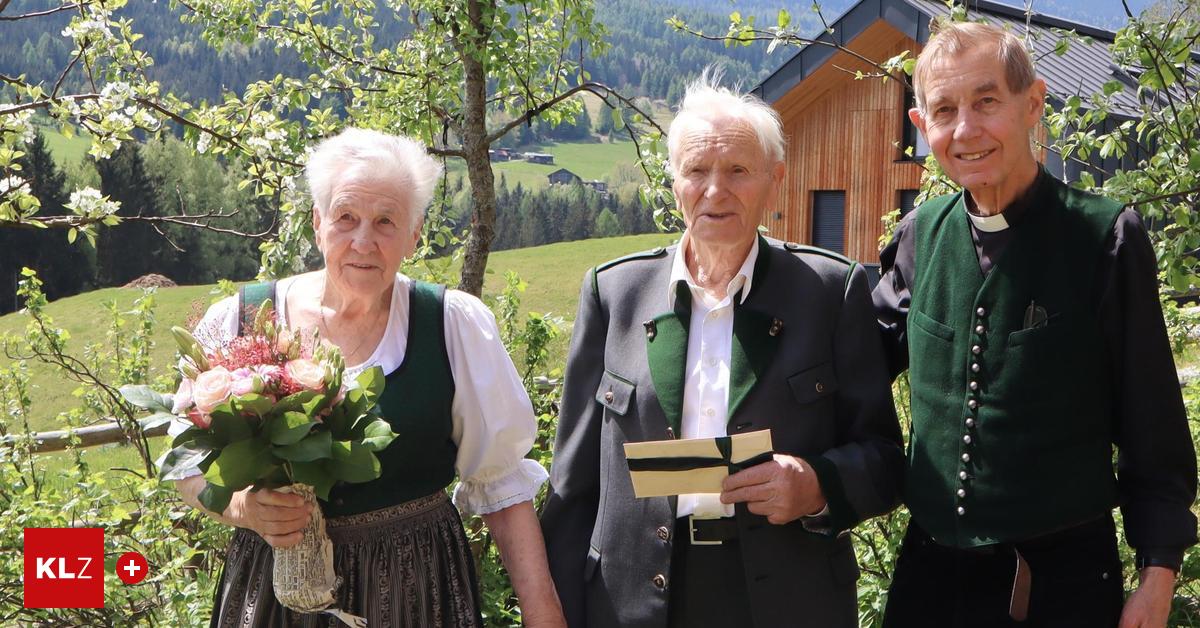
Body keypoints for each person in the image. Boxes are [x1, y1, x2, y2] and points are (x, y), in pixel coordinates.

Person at [541, 73, 904, 628]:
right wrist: (554, 608)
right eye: (697, 171)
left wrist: (815, 486)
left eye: (737, 170)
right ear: (674, 181)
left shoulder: (830, 292)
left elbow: (882, 456)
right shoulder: (614, 293)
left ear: (774, 181)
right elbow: (573, 484)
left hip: (787, 598)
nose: (716, 190)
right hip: (630, 599)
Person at [874, 21, 1198, 628]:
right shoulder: (919, 235)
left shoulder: (1105, 237)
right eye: (944, 110)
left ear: (1034, 104)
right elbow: (849, 367)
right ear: (922, 128)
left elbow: (1152, 425)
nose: (966, 130)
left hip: (1062, 584)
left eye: (986, 101)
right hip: (929, 578)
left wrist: (1157, 574)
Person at [175, 128, 566, 627]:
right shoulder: (240, 320)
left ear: (414, 234)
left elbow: (503, 486)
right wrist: (242, 508)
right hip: (278, 594)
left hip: (417, 589)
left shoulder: (451, 325)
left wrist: (544, 614)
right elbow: (186, 464)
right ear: (317, 224)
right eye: (345, 217)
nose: (364, 240)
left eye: (386, 221)